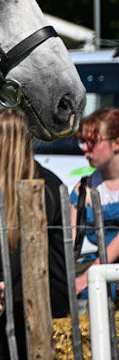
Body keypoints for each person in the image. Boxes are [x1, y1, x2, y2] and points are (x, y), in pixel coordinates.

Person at [0, 108, 69, 360]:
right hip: (12, 281)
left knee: (12, 315)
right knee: (5, 301)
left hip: (47, 286)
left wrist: (7, 278)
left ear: (1, 144)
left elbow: (32, 246)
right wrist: (4, 279)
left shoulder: (46, 186)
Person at [70, 106, 119, 298]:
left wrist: (88, 277)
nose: (84, 148)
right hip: (92, 268)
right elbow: (70, 241)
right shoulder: (84, 189)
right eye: (83, 141)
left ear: (116, 143)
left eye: (92, 142)